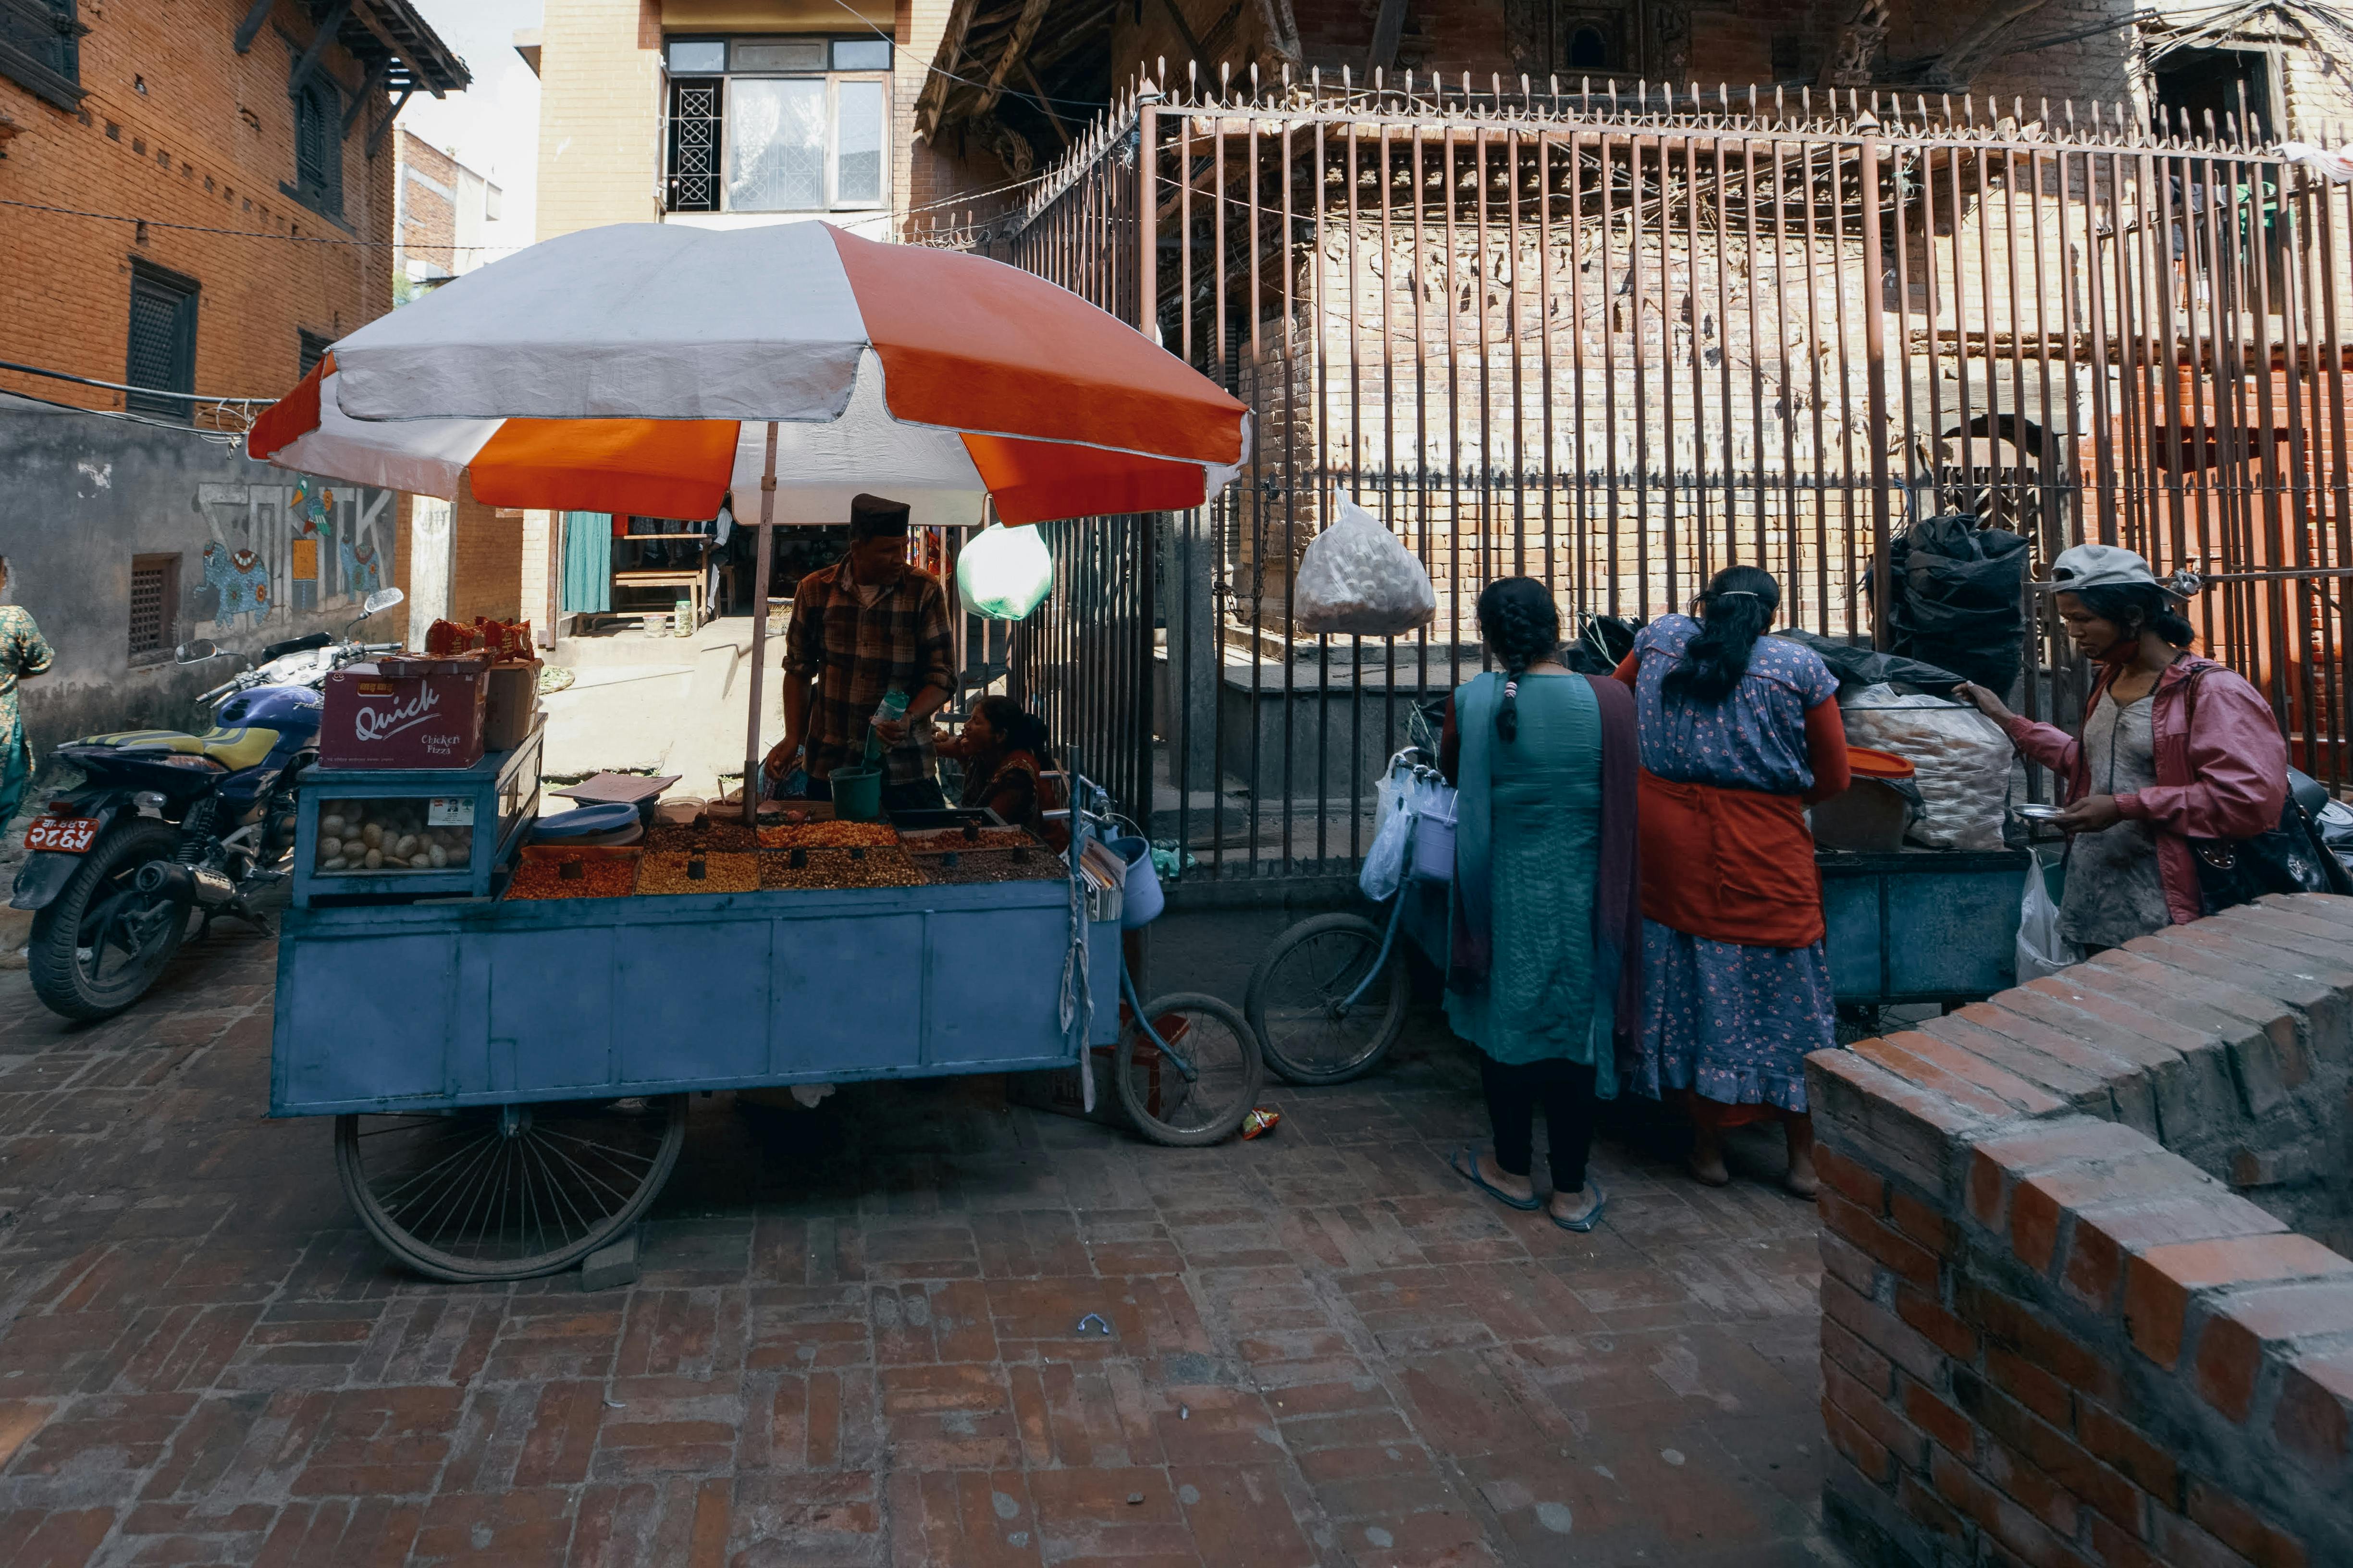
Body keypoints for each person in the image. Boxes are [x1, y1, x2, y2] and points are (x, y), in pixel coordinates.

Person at [1614, 565, 1849, 1195]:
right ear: (1771, 615)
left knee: (1694, 986)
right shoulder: (1798, 669)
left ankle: (1707, 1150)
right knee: (1790, 989)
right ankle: (1802, 1160)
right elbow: (1835, 777)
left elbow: (1614, 704)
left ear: (1705, 603)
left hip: (1667, 848)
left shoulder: (1661, 640)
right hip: (1766, 849)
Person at [1438, 577, 1642, 1233]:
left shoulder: (1471, 703)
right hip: (1587, 900)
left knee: (1508, 1025)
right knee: (1575, 1033)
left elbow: (1451, 774)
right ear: (1557, 627)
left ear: (1490, 637)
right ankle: (1573, 1190)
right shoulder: (1611, 700)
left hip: (1501, 897)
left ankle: (1511, 1169)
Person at [1956, 543, 2285, 948]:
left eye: (2083, 619)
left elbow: (2247, 801)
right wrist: (2006, 720)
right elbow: (2091, 763)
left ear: (2132, 616)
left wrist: (2123, 807)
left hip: (2171, 909)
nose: (2073, 632)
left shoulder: (2214, 691)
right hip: (2097, 900)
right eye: (2066, 620)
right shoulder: (2109, 680)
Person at [765, 495, 956, 814]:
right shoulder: (814, 590)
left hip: (905, 769)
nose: (898, 558)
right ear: (857, 548)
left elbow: (942, 676)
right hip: (830, 767)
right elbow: (798, 670)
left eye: (901, 547)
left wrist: (908, 718)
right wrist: (792, 738)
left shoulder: (924, 591)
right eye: (886, 550)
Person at [934, 695, 1062, 843]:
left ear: (1000, 735)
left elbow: (987, 826)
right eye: (970, 718)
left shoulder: (1017, 774)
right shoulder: (980, 750)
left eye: (976, 721)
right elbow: (933, 746)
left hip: (1039, 850)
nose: (966, 726)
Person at [0, 558, 53, 833]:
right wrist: (10, 672)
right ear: (4, 578)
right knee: (9, 784)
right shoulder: (13, 619)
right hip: (3, 727)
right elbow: (42, 662)